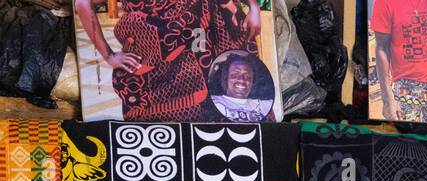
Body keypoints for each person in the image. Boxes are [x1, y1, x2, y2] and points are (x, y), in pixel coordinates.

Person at [74, 0, 260, 120]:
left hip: (199, 41)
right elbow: (83, 4)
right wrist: (109, 56)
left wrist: (254, 7)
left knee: (211, 104)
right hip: (153, 58)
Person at [372, 0, 427, 123]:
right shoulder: (384, 2)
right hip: (405, 87)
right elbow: (381, 48)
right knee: (405, 138)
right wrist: (387, 98)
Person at [210, 52, 277, 121]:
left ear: (252, 82)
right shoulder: (213, 101)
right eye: (235, 74)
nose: (241, 79)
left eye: (247, 76)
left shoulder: (265, 105)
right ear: (226, 78)